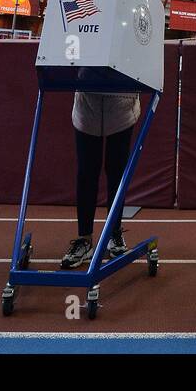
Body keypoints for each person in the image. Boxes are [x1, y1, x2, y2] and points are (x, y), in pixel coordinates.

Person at [60, 91, 141, 268]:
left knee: (116, 173)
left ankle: (115, 233)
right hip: (87, 107)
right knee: (86, 173)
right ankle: (84, 239)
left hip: (121, 107)